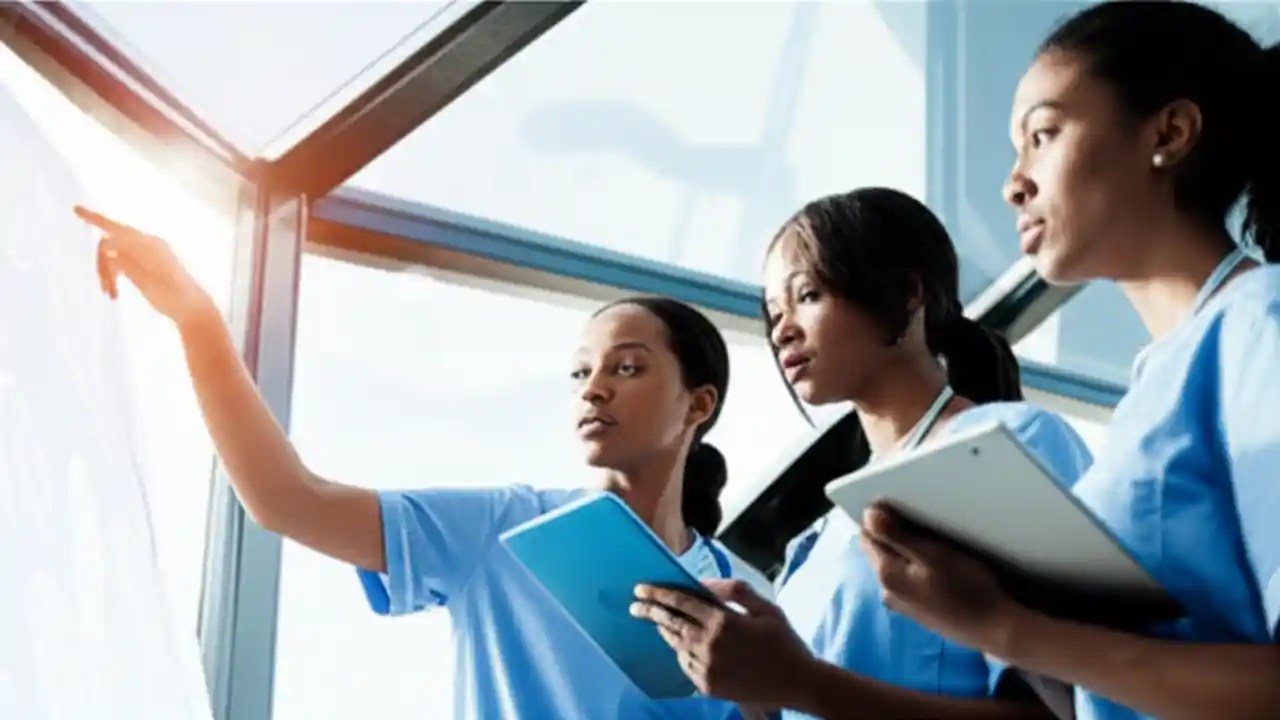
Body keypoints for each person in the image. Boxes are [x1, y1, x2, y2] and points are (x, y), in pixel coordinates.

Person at [76, 206, 771, 720]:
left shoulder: (744, 597)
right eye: (580, 372)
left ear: (698, 403)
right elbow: (285, 499)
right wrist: (197, 321)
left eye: (627, 367)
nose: (593, 388)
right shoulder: (503, 530)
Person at [852, 3, 1280, 719]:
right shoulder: (1155, 385)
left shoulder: (1260, 322)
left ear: (1169, 134)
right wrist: (999, 621)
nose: (1013, 184)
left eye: (1042, 135)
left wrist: (1008, 628)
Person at [630, 187, 1093, 719]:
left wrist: (804, 685)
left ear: (908, 294)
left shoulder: (1009, 443)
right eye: (773, 313)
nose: (782, 331)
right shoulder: (816, 541)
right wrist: (757, 691)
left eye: (807, 296)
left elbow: (1083, 707)